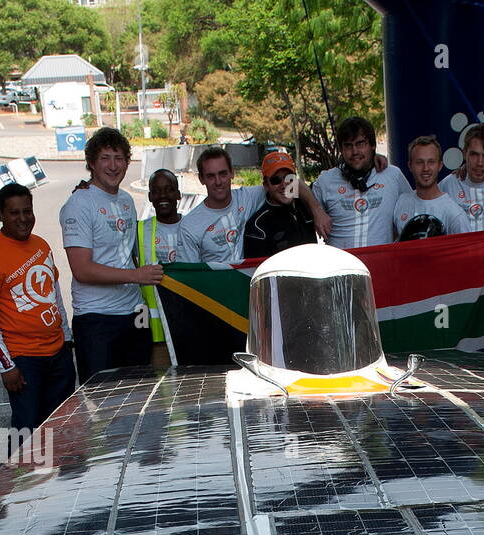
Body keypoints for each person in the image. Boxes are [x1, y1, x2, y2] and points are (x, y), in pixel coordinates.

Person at [178, 145, 328, 364]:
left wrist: (317, 210)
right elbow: (191, 279)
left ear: (232, 173)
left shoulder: (250, 195)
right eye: (210, 176)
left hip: (256, 303)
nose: (218, 181)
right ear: (201, 179)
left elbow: (292, 182)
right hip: (220, 308)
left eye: (222, 174)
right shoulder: (190, 225)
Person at [59, 126, 162, 383]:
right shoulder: (79, 203)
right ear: (92, 163)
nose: (113, 166)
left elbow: (129, 254)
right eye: (105, 158)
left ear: (127, 163)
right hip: (97, 319)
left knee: (137, 395)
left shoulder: (127, 200)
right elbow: (82, 270)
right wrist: (136, 276)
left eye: (119, 158)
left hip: (134, 314)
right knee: (101, 403)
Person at [0, 183, 75, 432]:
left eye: (27, 211)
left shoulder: (41, 246)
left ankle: (60, 472)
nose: (23, 219)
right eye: (14, 213)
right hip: (24, 360)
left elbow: (54, 294)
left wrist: (67, 339)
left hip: (58, 354)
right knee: (30, 433)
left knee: (62, 429)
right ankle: (28, 472)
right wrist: (7, 367)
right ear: (1, 215)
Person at [312, 116, 410, 249]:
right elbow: (291, 190)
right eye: (348, 146)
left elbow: (413, 209)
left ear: (373, 146)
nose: (355, 151)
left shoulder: (393, 175)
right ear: (341, 150)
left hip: (381, 265)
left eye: (360, 144)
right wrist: (316, 210)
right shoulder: (326, 180)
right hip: (340, 267)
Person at [136, 168, 188, 366]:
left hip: (187, 330)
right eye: (156, 191)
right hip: (155, 338)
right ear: (150, 196)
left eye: (169, 189)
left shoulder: (193, 226)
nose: (163, 195)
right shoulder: (139, 229)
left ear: (178, 194)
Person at [242, 150, 317, 259]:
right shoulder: (258, 227)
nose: (284, 185)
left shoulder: (307, 205)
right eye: (276, 180)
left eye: (289, 178)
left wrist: (317, 210)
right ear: (266, 185)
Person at [394, 135, 468, 239]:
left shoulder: (455, 214)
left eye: (431, 162)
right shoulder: (401, 202)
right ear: (410, 166)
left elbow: (465, 252)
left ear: (440, 165)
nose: (426, 168)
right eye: (419, 162)